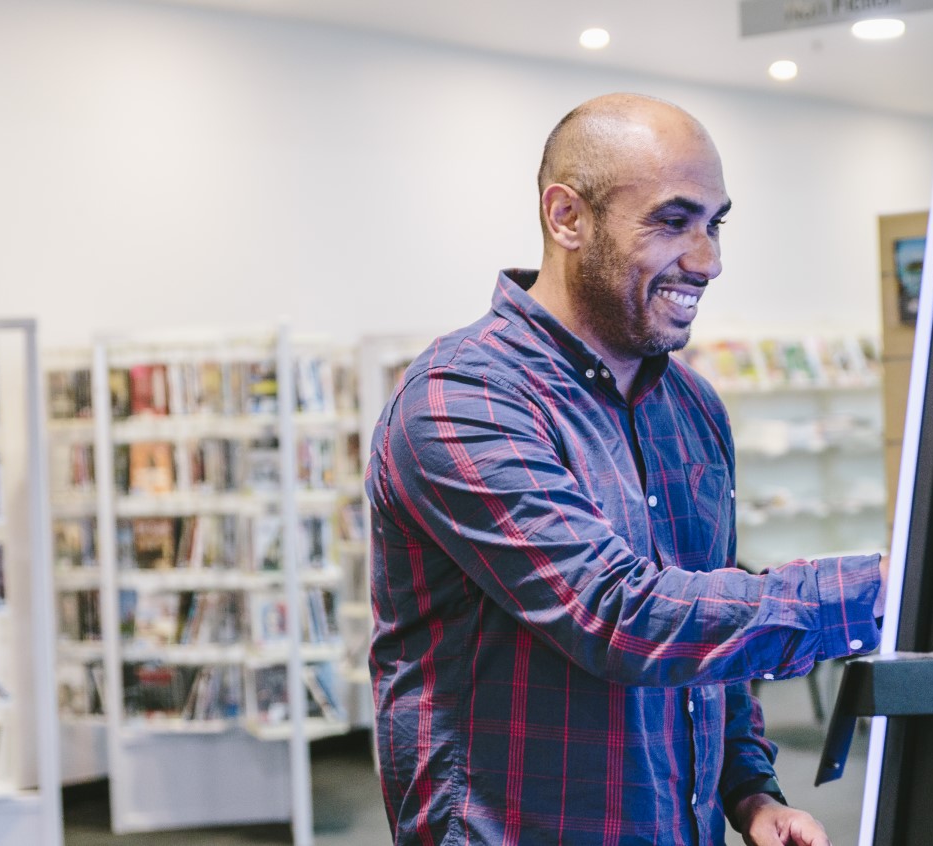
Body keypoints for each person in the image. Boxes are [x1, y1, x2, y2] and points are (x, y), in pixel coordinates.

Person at [366, 92, 886, 846]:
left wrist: (750, 793)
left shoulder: (693, 406)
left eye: (715, 224)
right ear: (566, 218)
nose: (707, 261)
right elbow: (619, 615)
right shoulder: (459, 400)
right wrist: (892, 585)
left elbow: (709, 615)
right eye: (673, 222)